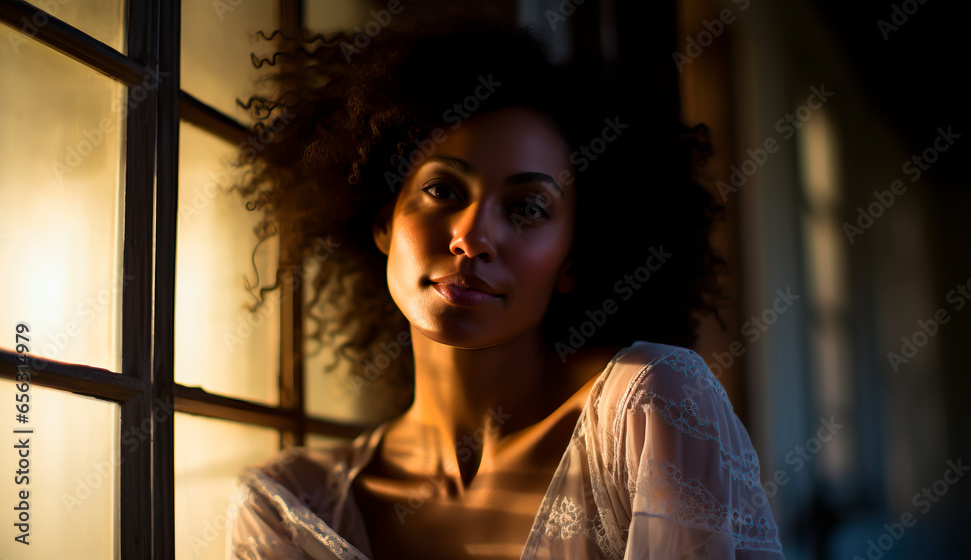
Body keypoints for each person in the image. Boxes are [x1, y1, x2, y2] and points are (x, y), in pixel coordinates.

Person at [227, 18, 785, 560]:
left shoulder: (649, 408)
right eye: (443, 189)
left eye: (526, 209)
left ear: (574, 260)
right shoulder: (288, 505)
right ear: (382, 223)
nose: (472, 238)